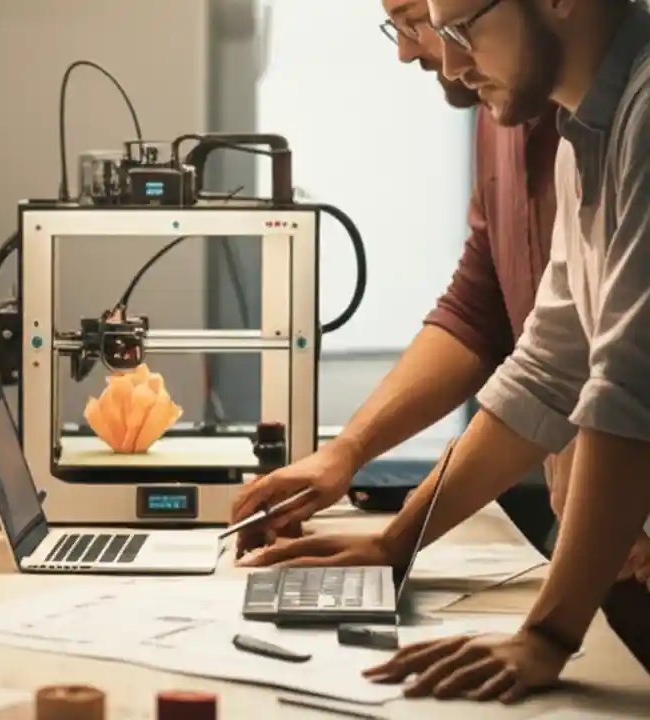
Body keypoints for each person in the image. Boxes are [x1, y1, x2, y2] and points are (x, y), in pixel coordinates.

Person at [244, 0, 650, 698]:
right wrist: (398, 540)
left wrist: (546, 636)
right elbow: (544, 372)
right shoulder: (584, 128)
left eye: (461, 28)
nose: (451, 61)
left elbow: (628, 393)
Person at [231, 0, 561, 551]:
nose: (416, 50)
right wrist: (347, 451)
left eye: (424, 22)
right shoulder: (498, 111)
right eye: (403, 26)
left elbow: (579, 373)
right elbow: (481, 315)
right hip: (592, 525)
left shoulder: (614, 124)